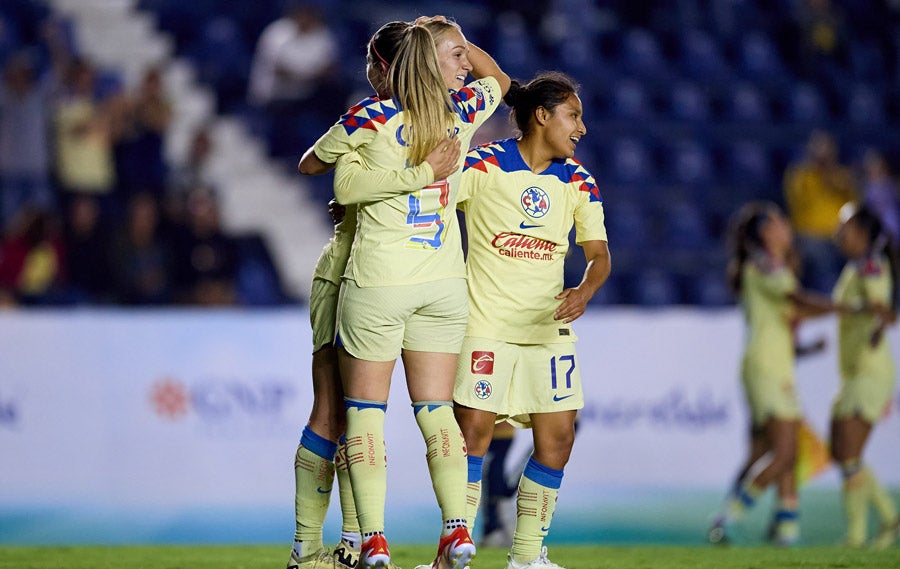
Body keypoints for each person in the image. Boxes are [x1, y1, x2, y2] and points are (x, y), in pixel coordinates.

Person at [296, 17, 509, 569]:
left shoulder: (369, 117)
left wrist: (395, 172)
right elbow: (501, 82)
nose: (462, 63)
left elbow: (325, 173)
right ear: (428, 61)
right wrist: (458, 41)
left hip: (377, 280)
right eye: (453, 54)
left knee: (360, 413)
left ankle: (368, 542)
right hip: (442, 283)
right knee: (437, 412)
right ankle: (458, 529)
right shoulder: (461, 112)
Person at [448, 72, 609, 569]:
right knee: (472, 436)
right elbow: (432, 201)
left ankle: (525, 557)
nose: (581, 128)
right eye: (573, 115)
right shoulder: (483, 163)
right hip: (486, 326)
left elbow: (599, 255)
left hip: (547, 332)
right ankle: (453, 554)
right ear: (542, 115)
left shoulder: (578, 179)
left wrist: (585, 290)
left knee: (558, 439)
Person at [707, 201, 854, 545]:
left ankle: (785, 528)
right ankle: (727, 520)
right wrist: (846, 308)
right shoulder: (765, 265)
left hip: (771, 367)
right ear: (766, 233)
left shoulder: (770, 268)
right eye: (779, 223)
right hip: (768, 370)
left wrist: (810, 343)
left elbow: (789, 313)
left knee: (766, 452)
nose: (787, 228)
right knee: (786, 452)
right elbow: (796, 300)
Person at [830, 203, 899, 548]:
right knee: (840, 450)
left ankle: (857, 535)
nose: (838, 233)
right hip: (852, 372)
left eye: (844, 227)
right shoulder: (855, 266)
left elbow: (880, 307)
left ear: (861, 233)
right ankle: (889, 518)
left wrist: (880, 321)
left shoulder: (871, 265)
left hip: (869, 371)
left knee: (849, 453)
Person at [783, 130, 857, 292]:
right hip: (811, 236)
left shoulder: (842, 177)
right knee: (821, 257)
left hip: (840, 236)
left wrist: (835, 181)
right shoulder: (801, 176)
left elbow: (854, 206)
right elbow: (796, 201)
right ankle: (828, 296)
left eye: (827, 150)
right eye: (819, 149)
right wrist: (820, 178)